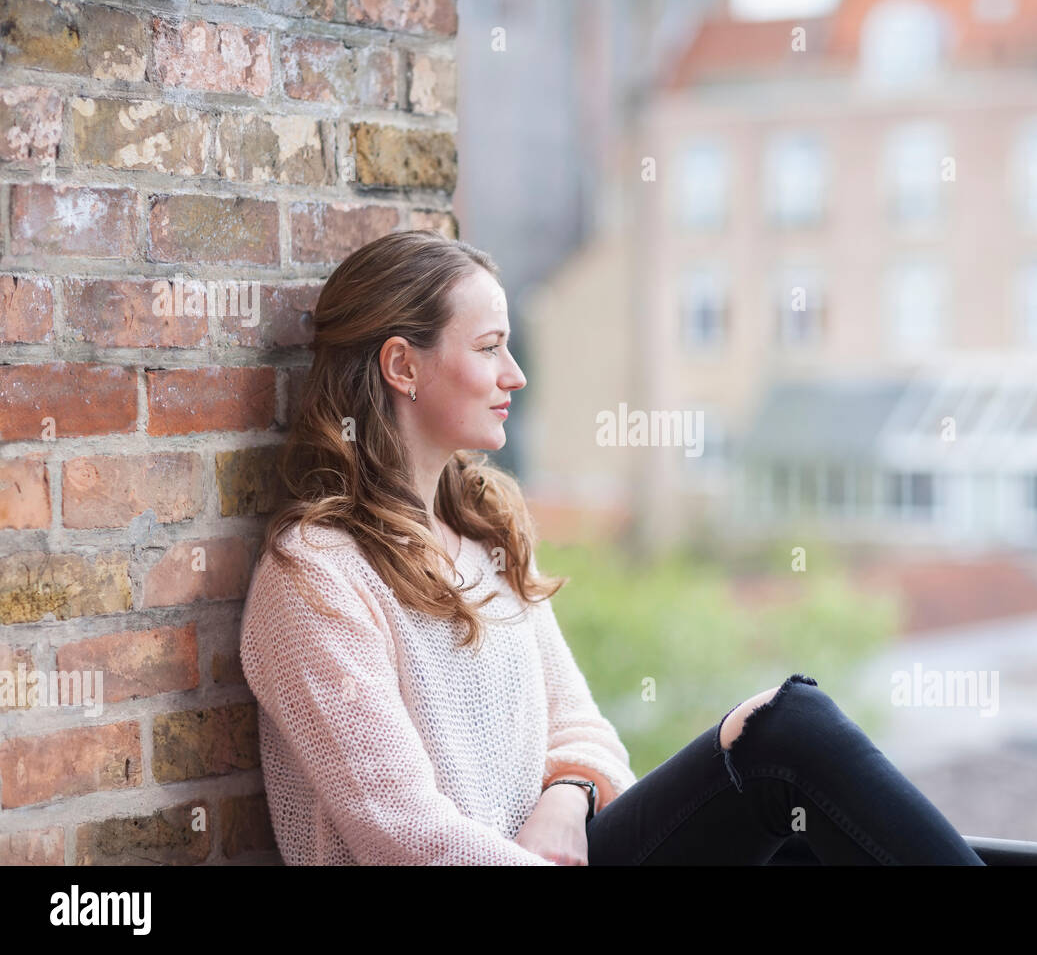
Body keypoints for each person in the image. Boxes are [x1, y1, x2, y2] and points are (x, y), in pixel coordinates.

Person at [239, 230, 986, 866]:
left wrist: (568, 795)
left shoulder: (485, 528)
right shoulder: (314, 575)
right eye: (491, 348)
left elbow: (585, 730)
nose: (515, 375)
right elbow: (404, 836)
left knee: (784, 746)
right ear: (402, 365)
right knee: (784, 743)